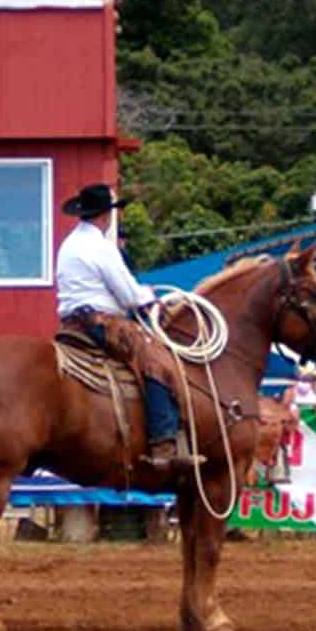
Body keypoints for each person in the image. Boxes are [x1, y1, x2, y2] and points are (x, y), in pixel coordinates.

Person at [55, 182, 203, 474]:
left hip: (72, 322)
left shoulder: (70, 244)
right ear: (105, 216)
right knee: (158, 360)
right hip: (102, 322)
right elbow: (129, 296)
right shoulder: (101, 247)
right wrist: (150, 297)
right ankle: (163, 442)